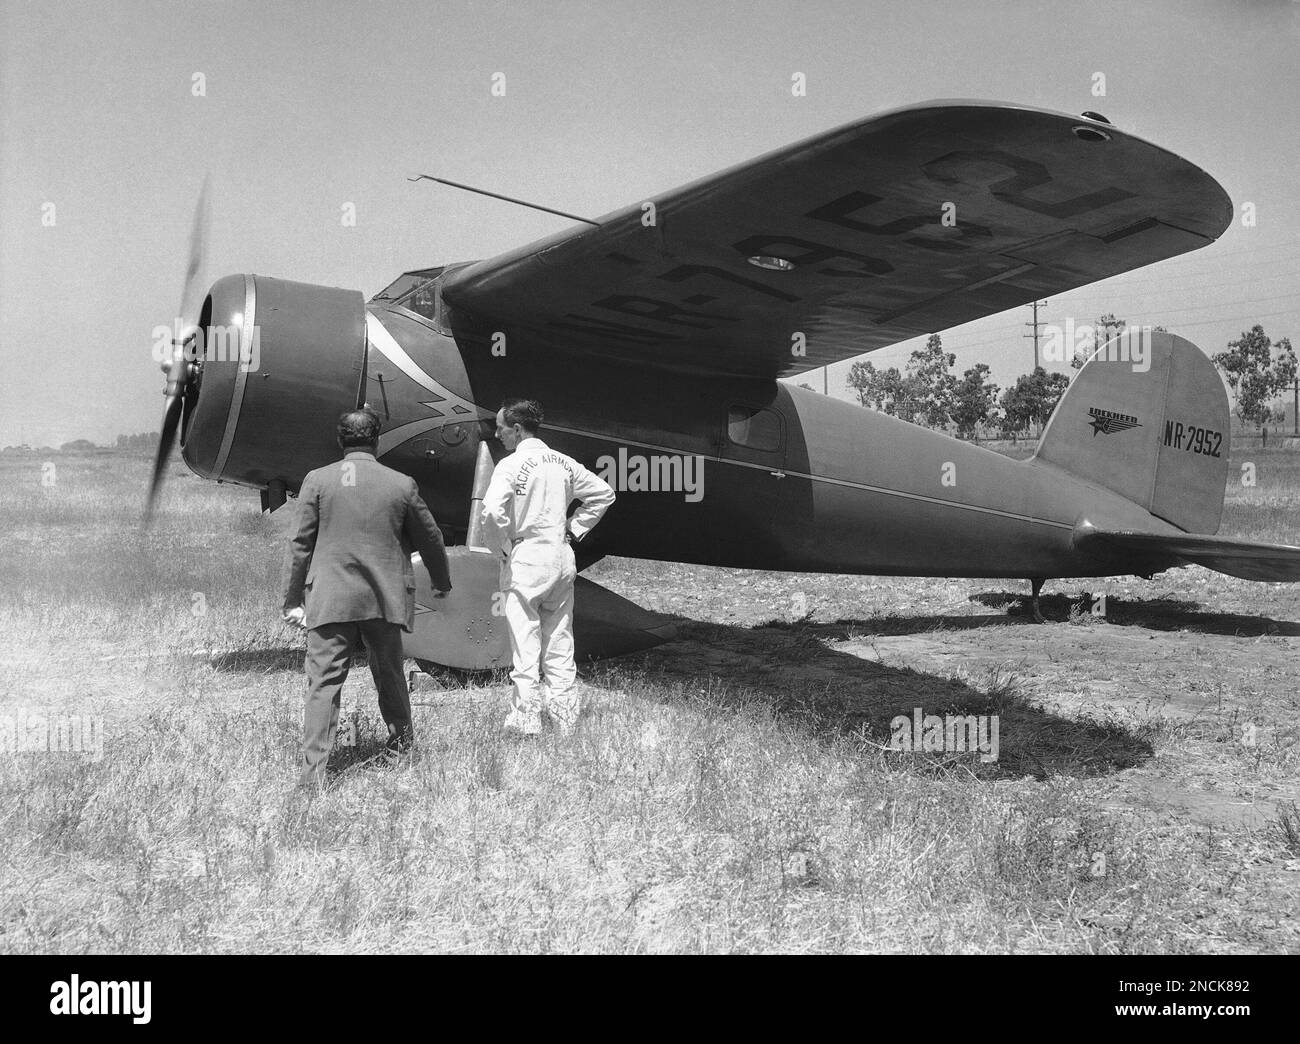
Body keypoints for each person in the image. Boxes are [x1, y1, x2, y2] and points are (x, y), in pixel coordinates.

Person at [282, 408, 452, 787]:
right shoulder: (401, 483)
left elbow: (299, 545)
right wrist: (442, 581)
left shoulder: (317, 481)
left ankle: (314, 776)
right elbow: (431, 537)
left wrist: (293, 599)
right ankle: (403, 747)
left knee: (323, 684)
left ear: (340, 440)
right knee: (390, 674)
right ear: (377, 439)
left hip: (330, 599)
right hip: (383, 598)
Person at [481, 399, 615, 736]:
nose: (496, 434)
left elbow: (492, 513)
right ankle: (565, 718)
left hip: (527, 556)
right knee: (559, 638)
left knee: (524, 640)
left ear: (516, 429)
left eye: (500, 428)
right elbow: (603, 493)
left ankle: (527, 719)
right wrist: (575, 528)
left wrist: (503, 547)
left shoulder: (510, 466)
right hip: (560, 554)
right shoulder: (564, 463)